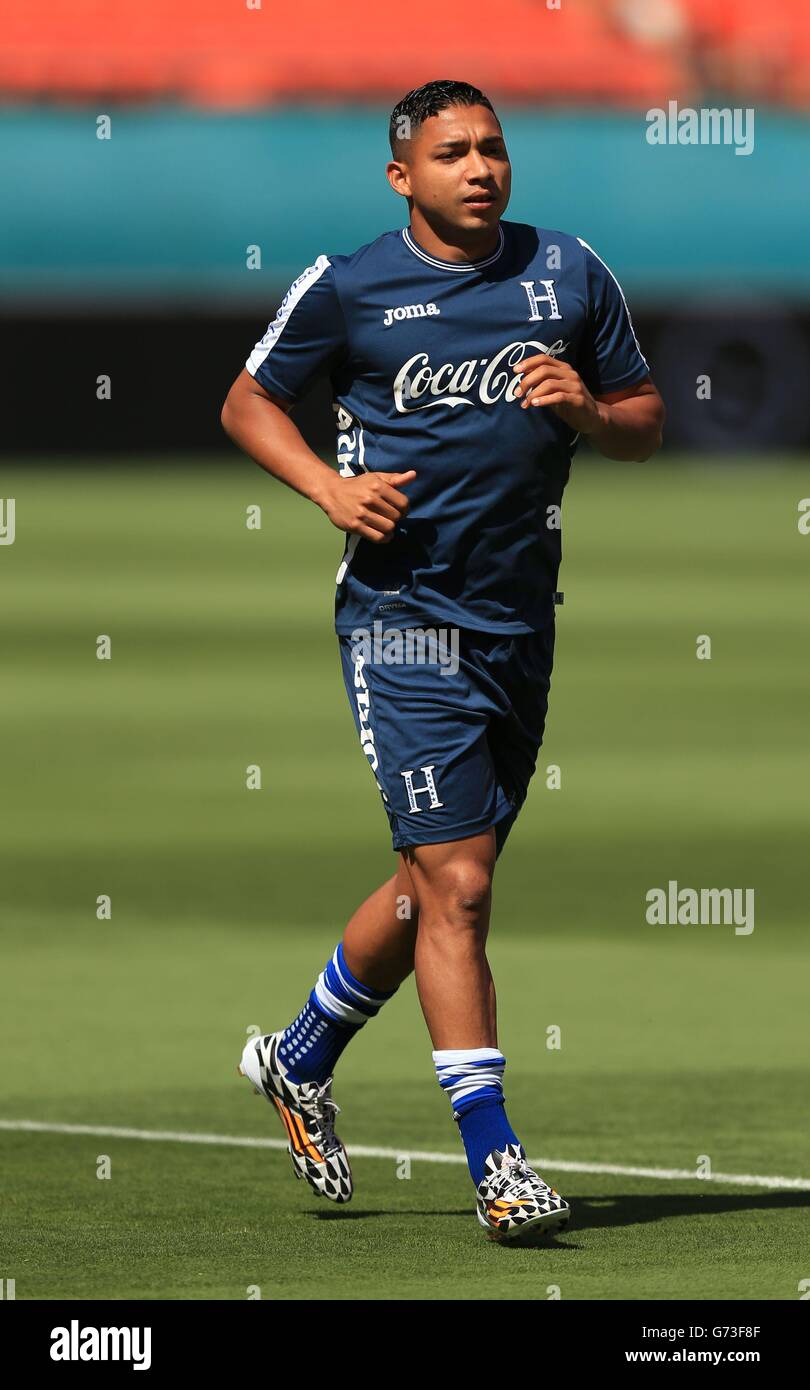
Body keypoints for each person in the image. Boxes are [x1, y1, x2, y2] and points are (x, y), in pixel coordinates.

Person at [223, 78, 665, 1242]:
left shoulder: (569, 273)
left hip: (522, 622)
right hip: (402, 618)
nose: (481, 167)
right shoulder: (352, 284)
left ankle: (299, 1056)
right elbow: (248, 401)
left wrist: (588, 412)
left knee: (437, 885)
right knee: (460, 887)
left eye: (495, 148)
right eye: (454, 151)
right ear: (402, 176)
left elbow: (647, 419)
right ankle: (500, 1165)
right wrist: (327, 486)